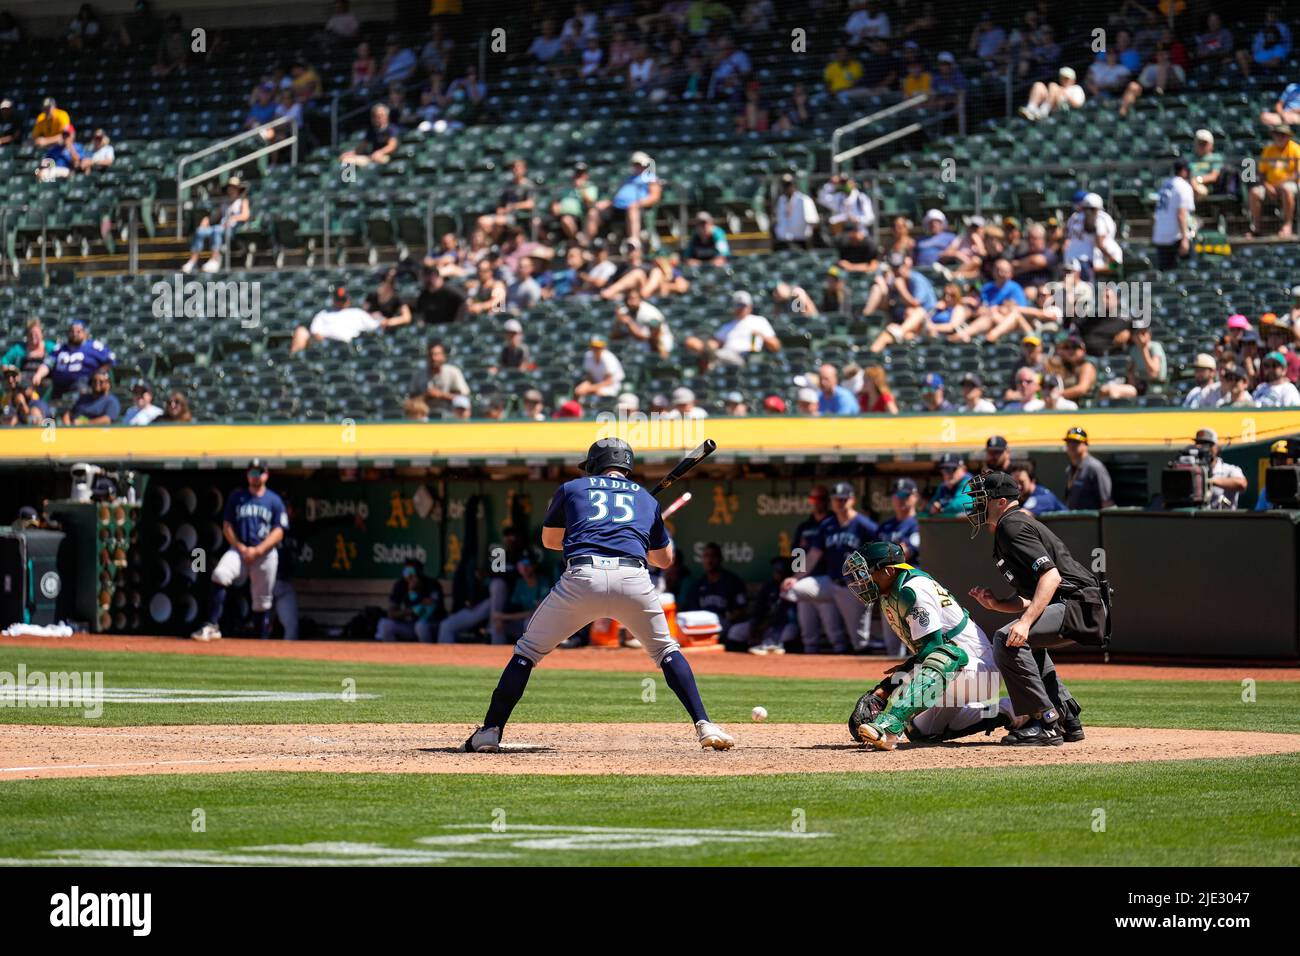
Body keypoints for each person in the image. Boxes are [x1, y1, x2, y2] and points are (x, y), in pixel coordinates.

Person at [460, 439, 734, 752]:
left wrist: (593, 530)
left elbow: (550, 541)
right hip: (633, 578)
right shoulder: (645, 500)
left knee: (528, 652)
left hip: (582, 577)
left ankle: (491, 731)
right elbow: (664, 561)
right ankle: (704, 725)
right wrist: (640, 532)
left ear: (594, 465)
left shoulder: (572, 488)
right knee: (665, 650)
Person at [965, 470, 1107, 745]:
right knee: (1024, 642)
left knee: (1007, 640)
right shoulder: (1012, 524)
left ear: (1001, 501)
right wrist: (997, 604)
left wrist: (1025, 622)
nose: (976, 504)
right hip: (1078, 603)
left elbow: (1051, 577)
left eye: (981, 498)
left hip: (1078, 604)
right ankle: (1067, 718)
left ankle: (1043, 721)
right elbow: (1034, 597)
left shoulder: (1012, 526)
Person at [842, 542, 1015, 749]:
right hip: (954, 675)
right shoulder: (893, 590)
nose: (862, 580)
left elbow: (933, 648)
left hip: (980, 672)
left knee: (941, 656)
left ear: (888, 571)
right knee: (922, 730)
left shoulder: (913, 590)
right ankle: (1014, 711)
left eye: (866, 573)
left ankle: (889, 727)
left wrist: (884, 690)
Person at [191, 460, 289, 641]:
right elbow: (227, 525)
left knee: (261, 601)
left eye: (259, 472)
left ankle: (261, 642)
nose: (255, 476)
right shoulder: (238, 497)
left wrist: (258, 550)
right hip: (239, 550)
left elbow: (279, 531)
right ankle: (212, 625)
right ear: (247, 475)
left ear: (266, 475)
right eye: (252, 472)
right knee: (220, 574)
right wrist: (241, 547)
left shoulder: (274, 500)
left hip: (265, 553)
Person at [780, 482, 878, 653]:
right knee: (802, 615)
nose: (817, 502)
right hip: (819, 581)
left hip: (845, 582)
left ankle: (844, 657)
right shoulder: (807, 527)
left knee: (837, 633)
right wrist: (795, 576)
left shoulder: (860, 524)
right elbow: (801, 554)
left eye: (820, 498)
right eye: (813, 499)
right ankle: (811, 660)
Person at [683, 542, 751, 651]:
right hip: (703, 624)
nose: (709, 560)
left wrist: (731, 617)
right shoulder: (698, 585)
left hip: (724, 623)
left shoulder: (732, 582)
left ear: (720, 559)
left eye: (713, 556)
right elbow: (690, 610)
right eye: (706, 556)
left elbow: (741, 609)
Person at [180, 177, 251, 274]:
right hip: (221, 227)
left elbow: (245, 215)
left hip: (233, 229)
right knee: (200, 231)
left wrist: (233, 218)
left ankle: (215, 260)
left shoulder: (243, 200)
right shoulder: (224, 202)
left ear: (238, 189)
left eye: (233, 187)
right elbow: (215, 216)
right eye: (230, 187)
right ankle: (193, 261)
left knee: (216, 230)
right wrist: (207, 220)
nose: (231, 189)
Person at [1249, 125, 1300, 238]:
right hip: (1270, 185)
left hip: (1292, 184)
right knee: (1254, 192)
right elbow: (1261, 173)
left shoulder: (1295, 149)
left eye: (1282, 135)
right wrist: (1267, 186)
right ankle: (1256, 227)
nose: (1279, 137)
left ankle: (1287, 225)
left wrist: (1279, 184)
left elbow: (1297, 174)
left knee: (1286, 189)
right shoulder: (1268, 150)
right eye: (1277, 134)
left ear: (1288, 136)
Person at [376, 559, 443, 642]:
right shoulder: (400, 585)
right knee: (385, 624)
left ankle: (428, 653)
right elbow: (391, 613)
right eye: (406, 573)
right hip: (410, 625)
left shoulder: (431, 584)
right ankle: (394, 654)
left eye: (412, 573)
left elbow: (427, 613)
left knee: (421, 626)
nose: (409, 577)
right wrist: (409, 610)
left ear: (419, 573)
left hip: (432, 625)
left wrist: (414, 594)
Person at [1152, 160, 1195, 270]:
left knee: (1165, 275)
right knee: (1188, 272)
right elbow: (1181, 214)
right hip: (1175, 237)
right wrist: (1185, 239)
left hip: (1160, 236)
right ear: (1184, 171)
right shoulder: (1183, 186)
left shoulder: (1165, 184)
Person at [1063, 426, 1113, 509]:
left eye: (1076, 442)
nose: (1071, 445)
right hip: (1073, 519)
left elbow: (1106, 501)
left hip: (1090, 520)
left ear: (1085, 445)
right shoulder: (1069, 469)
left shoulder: (1095, 467)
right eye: (1068, 442)